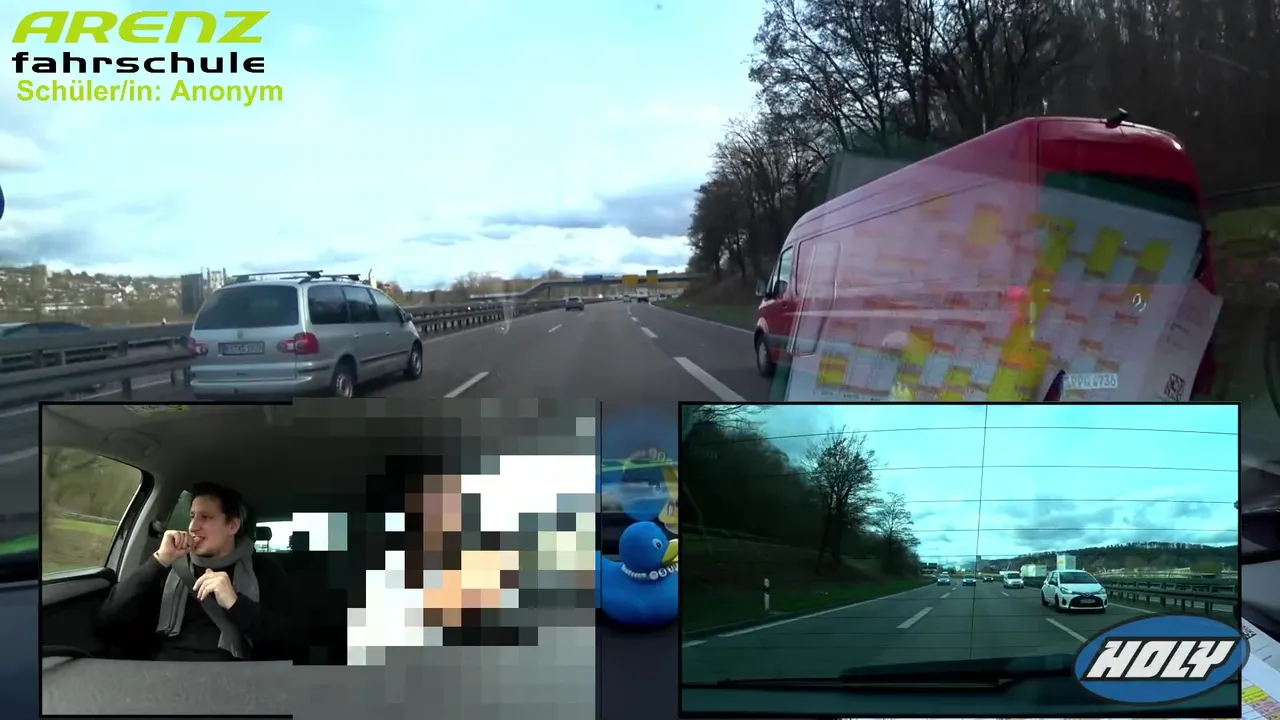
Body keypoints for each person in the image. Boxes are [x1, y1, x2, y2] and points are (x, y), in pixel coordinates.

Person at [97, 482, 299, 661]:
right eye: (192, 516)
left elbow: (289, 642)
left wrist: (235, 604)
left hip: (237, 677)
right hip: (164, 672)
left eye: (206, 517)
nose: (193, 527)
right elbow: (109, 620)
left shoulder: (266, 572)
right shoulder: (168, 567)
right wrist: (159, 560)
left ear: (233, 526)